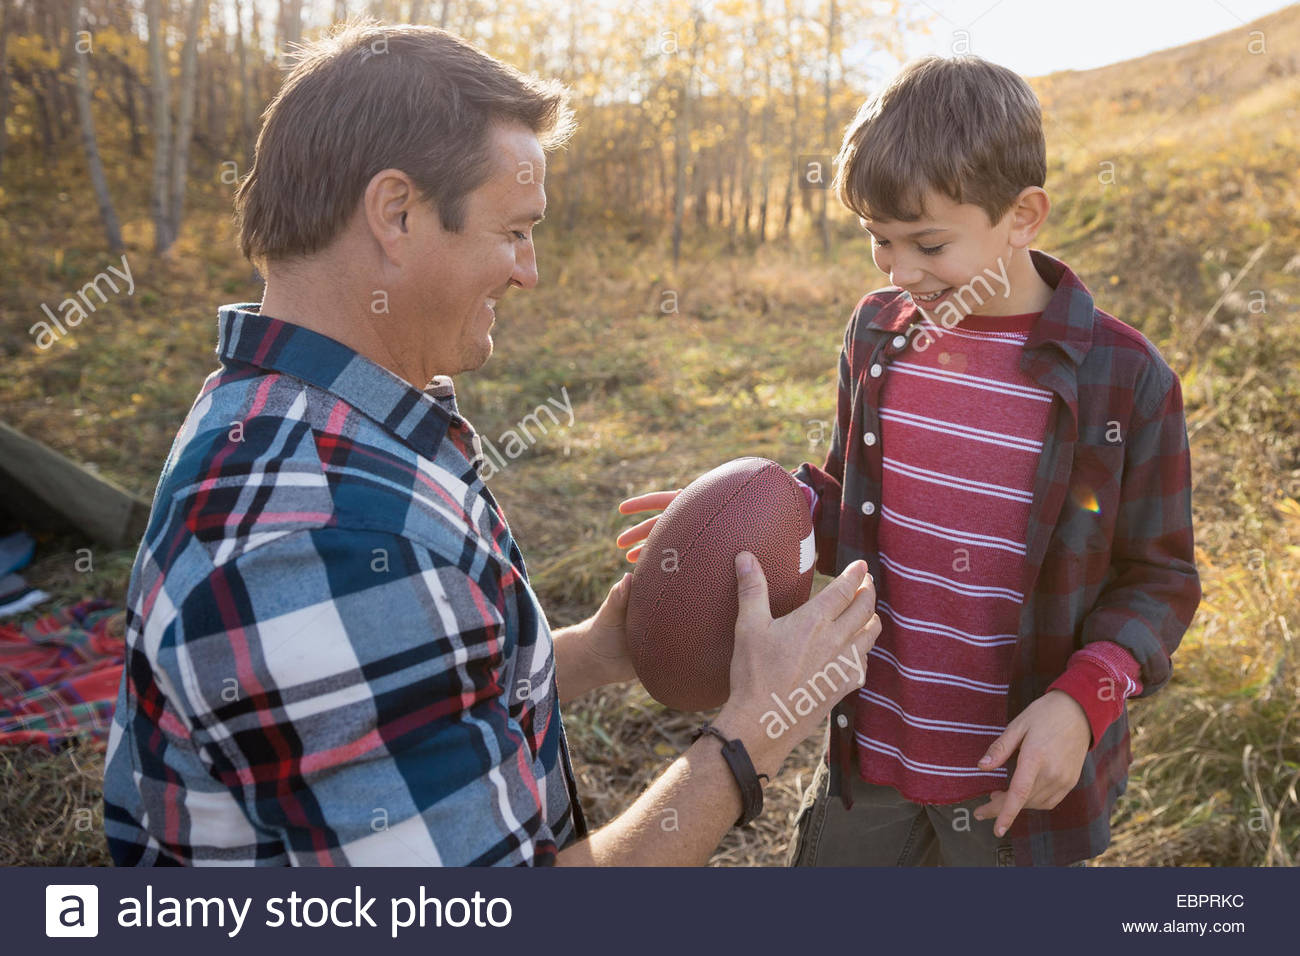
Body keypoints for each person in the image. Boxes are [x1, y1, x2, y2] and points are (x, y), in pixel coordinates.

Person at [100, 21, 881, 867]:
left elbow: (423, 703)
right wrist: (749, 738)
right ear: (396, 213)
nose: (529, 271)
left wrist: (597, 649)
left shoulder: (297, 409)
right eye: (513, 231)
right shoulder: (327, 539)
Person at [618, 55, 1201, 866]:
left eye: (928, 242)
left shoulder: (1124, 379)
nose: (898, 271)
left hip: (1015, 787)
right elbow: (850, 505)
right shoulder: (878, 335)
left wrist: (1084, 700)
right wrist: (743, 521)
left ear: (1023, 215)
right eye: (877, 241)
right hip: (874, 752)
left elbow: (1161, 579)